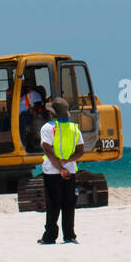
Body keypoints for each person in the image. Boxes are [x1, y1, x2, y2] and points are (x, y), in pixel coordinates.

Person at [38, 99, 84, 245]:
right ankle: (69, 235)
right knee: (69, 204)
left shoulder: (47, 128)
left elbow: (48, 151)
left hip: (52, 171)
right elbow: (80, 151)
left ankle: (50, 237)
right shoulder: (74, 128)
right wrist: (66, 162)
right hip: (69, 170)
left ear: (52, 113)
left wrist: (59, 168)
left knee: (53, 203)